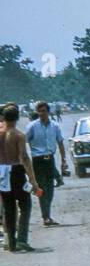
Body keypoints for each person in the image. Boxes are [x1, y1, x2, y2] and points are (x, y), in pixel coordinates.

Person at [1, 102, 42, 252]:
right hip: (16, 170)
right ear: (17, 118)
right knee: (25, 205)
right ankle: (22, 239)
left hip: (2, 172)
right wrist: (33, 180)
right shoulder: (18, 135)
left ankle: (11, 242)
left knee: (8, 208)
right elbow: (24, 157)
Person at [25, 101, 67, 226]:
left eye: (44, 111)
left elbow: (60, 142)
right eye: (39, 111)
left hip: (50, 160)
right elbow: (23, 142)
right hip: (38, 161)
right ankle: (46, 218)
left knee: (50, 190)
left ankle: (47, 215)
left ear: (48, 112)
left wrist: (64, 160)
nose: (41, 113)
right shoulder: (32, 126)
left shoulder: (55, 126)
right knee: (41, 189)